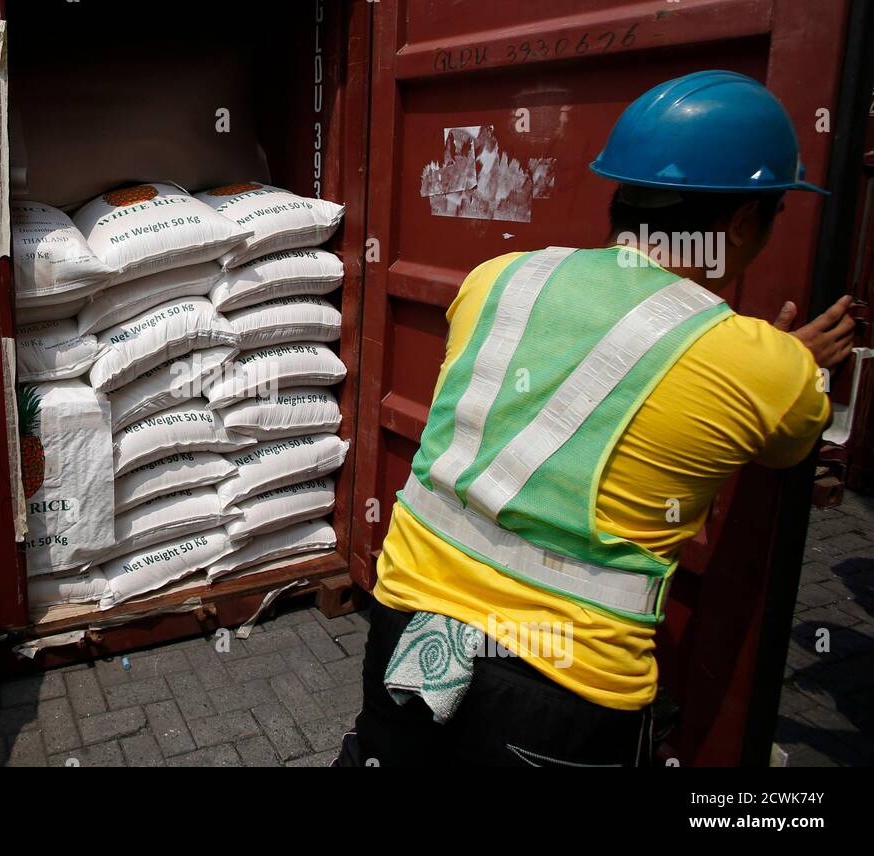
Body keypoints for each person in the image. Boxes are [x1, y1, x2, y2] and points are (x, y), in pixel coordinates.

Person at [338, 70, 856, 767]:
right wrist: (803, 365)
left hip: (406, 625)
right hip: (566, 687)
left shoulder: (499, 278)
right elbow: (789, 448)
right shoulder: (766, 365)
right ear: (741, 221)